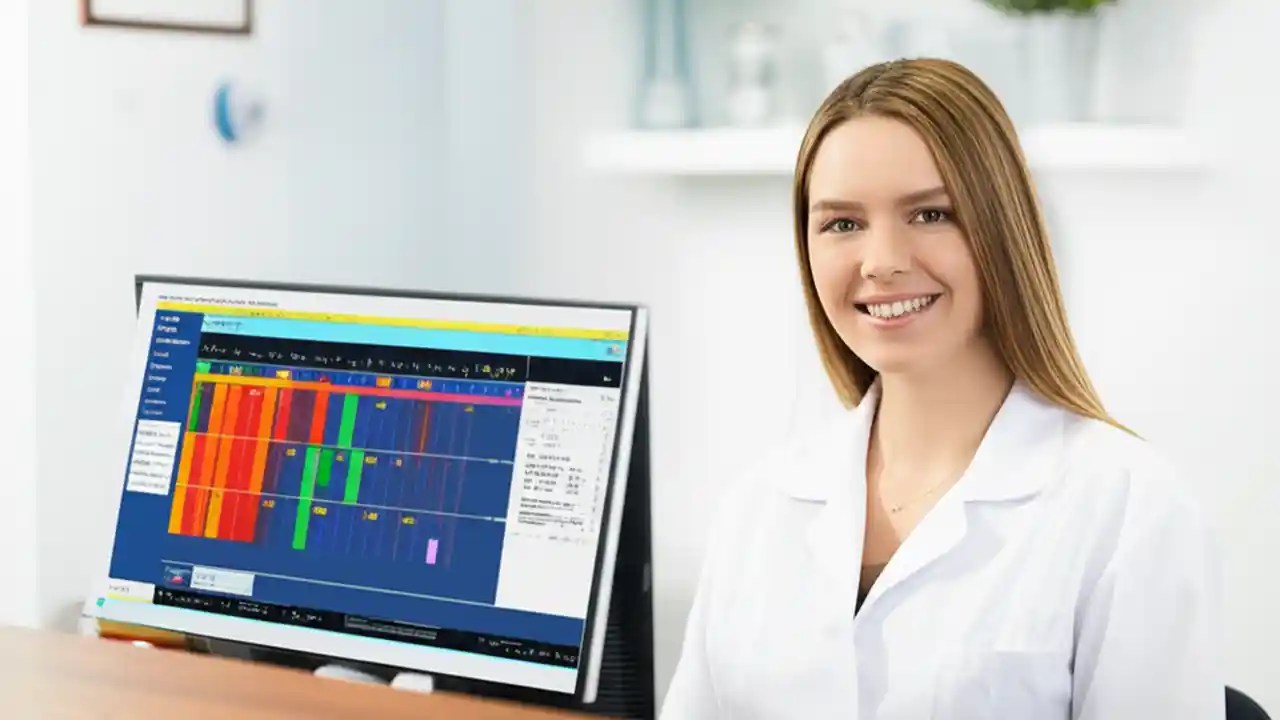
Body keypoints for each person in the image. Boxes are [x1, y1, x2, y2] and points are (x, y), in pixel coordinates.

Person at [660, 59, 1223, 719]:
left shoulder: (1127, 505)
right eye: (842, 224)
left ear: (1002, 229)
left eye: (930, 214)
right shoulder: (760, 505)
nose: (882, 262)